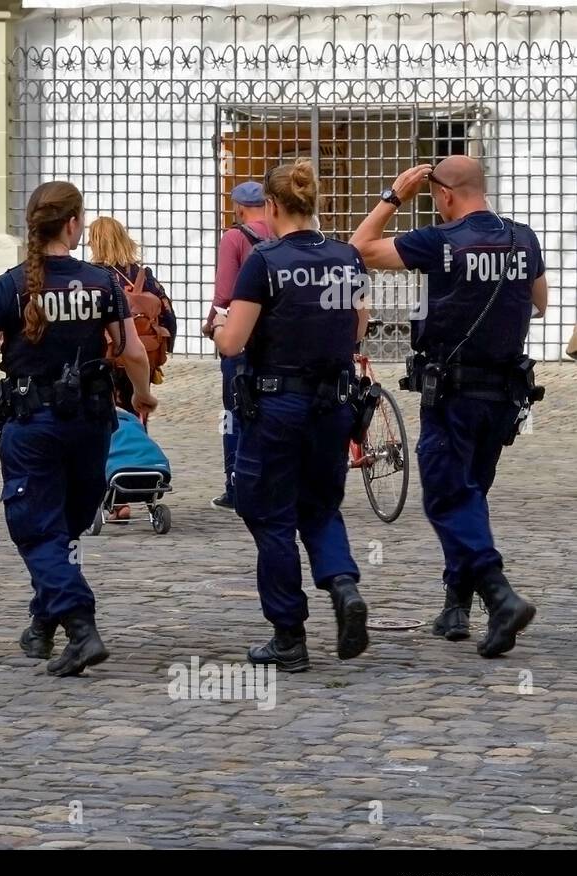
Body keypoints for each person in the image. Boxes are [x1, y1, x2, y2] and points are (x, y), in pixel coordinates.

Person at [350, 155, 545, 658]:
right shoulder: (523, 238)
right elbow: (539, 301)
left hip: (453, 394)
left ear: (443, 194)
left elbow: (358, 249)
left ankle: (499, 595)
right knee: (470, 493)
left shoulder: (439, 241)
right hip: (504, 394)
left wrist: (395, 196)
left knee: (446, 495)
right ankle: (456, 605)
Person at [0, 181, 157, 677]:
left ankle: (79, 625)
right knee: (64, 527)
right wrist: (142, 395)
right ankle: (41, 624)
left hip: (33, 422)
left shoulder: (10, 285)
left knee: (36, 529)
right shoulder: (102, 282)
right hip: (91, 423)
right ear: (73, 225)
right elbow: (132, 351)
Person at [211, 159, 369, 672]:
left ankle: (289, 635)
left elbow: (233, 341)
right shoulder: (347, 257)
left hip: (277, 404)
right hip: (333, 404)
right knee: (320, 507)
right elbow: (358, 329)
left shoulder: (265, 259)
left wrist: (216, 328)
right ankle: (343, 587)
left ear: (272, 207)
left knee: (270, 516)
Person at [205, 181, 271, 510]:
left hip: (242, 337)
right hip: (278, 340)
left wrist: (211, 324)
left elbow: (224, 295)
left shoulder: (235, 237)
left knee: (234, 411)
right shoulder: (283, 233)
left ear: (239, 208)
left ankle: (237, 485)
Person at [87, 216, 175, 385]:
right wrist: (165, 346)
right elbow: (168, 313)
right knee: (137, 405)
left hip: (108, 356)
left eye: (91, 239)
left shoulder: (93, 276)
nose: (88, 244)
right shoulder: (143, 275)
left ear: (98, 243)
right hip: (144, 352)